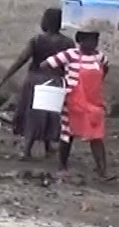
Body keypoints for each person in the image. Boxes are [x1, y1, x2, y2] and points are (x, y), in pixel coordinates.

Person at [0, 7, 75, 160]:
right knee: (50, 114)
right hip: (55, 81)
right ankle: (47, 147)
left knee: (33, 115)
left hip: (35, 81)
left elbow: (21, 60)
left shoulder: (37, 40)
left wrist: (3, 79)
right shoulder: (68, 43)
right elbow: (72, 65)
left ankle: (26, 150)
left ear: (45, 21)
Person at [45, 22, 112, 178]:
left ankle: (103, 171)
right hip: (72, 101)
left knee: (96, 135)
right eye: (88, 41)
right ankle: (62, 165)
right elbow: (46, 64)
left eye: (95, 41)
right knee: (68, 134)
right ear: (80, 40)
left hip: (93, 102)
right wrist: (63, 79)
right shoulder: (70, 55)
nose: (92, 44)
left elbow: (105, 68)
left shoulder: (99, 57)